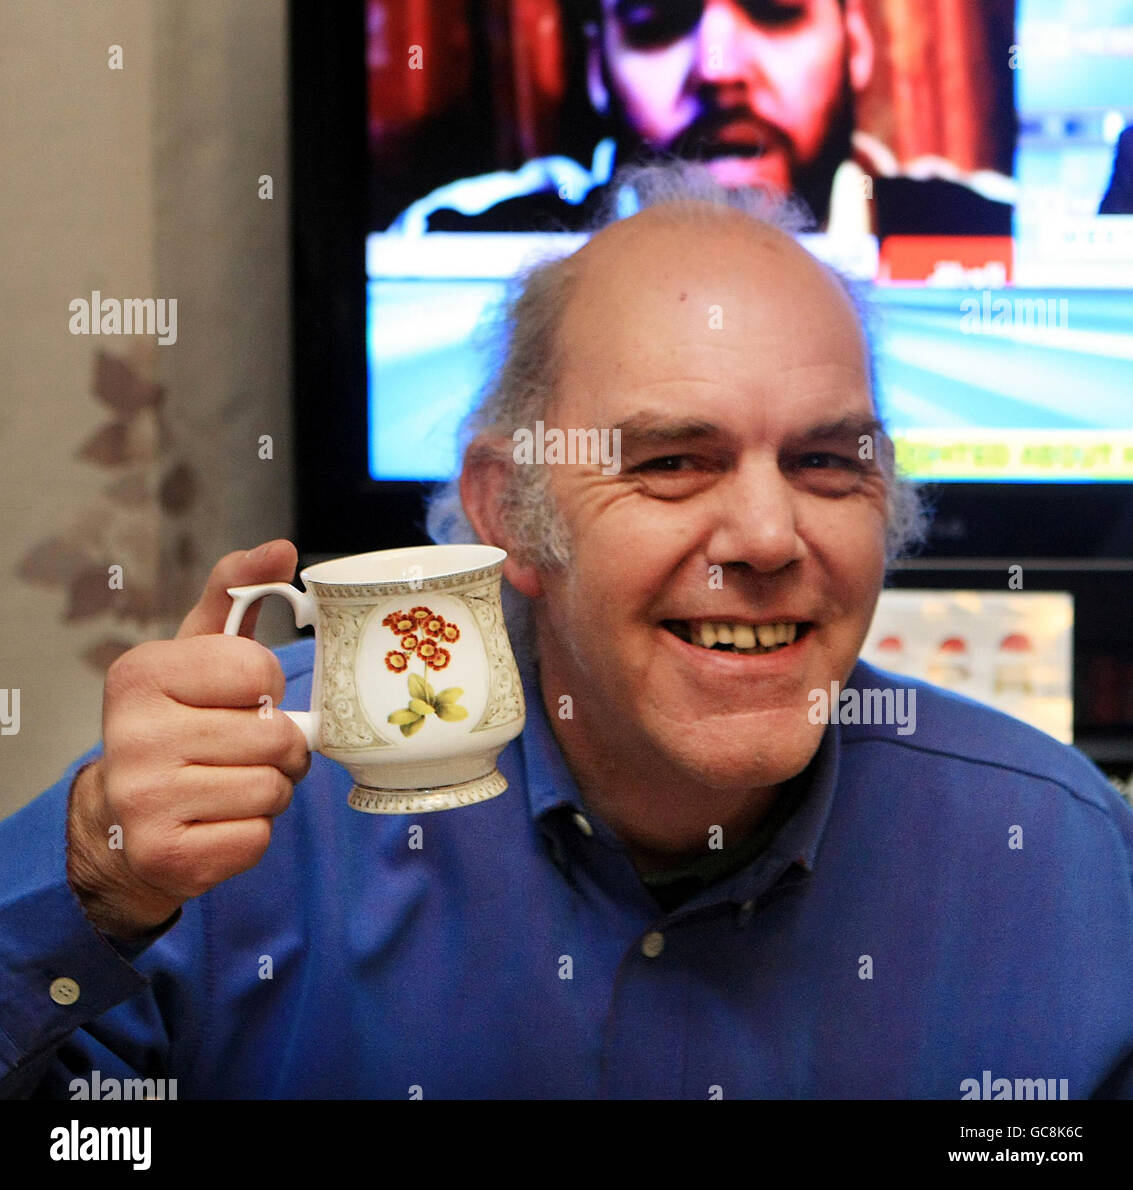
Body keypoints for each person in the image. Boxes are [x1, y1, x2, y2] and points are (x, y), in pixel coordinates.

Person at [2, 161, 1130, 1100]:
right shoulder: (242, 819)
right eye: (671, 462)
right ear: (509, 513)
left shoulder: (1057, 857)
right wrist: (93, 893)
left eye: (825, 461)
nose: (768, 532)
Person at [389, 0, 1014, 240]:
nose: (718, 69)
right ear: (597, 68)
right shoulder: (450, 239)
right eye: (657, 23)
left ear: (855, 38)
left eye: (775, 10)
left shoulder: (996, 226)